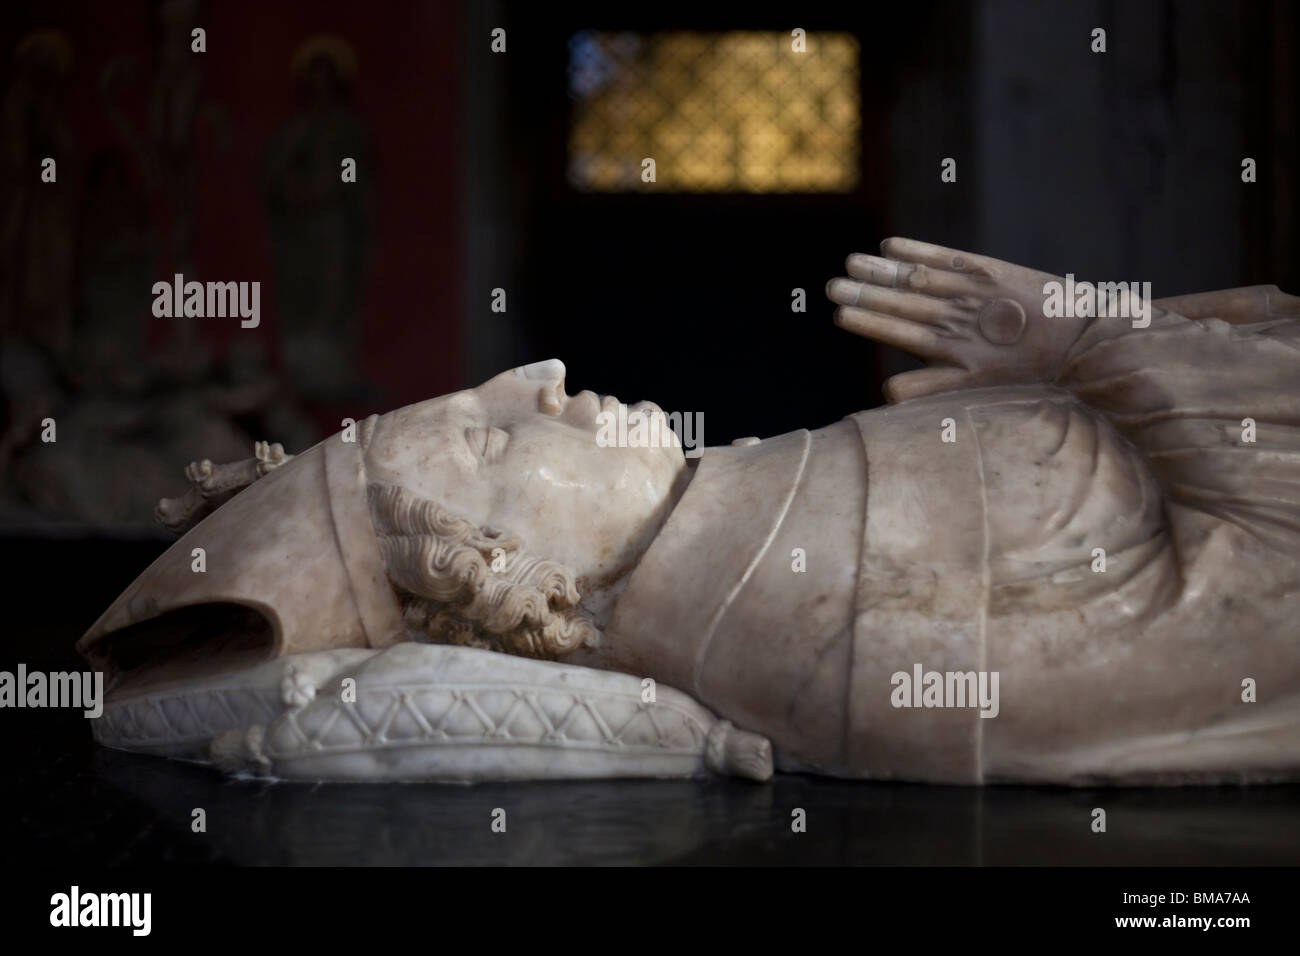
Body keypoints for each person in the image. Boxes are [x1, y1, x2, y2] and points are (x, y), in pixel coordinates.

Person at [80, 239, 1300, 785]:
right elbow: (1266, 599)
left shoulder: (756, 527)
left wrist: (1085, 351)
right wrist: (1098, 335)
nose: (537, 380)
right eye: (487, 433)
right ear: (509, 582)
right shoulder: (827, 644)